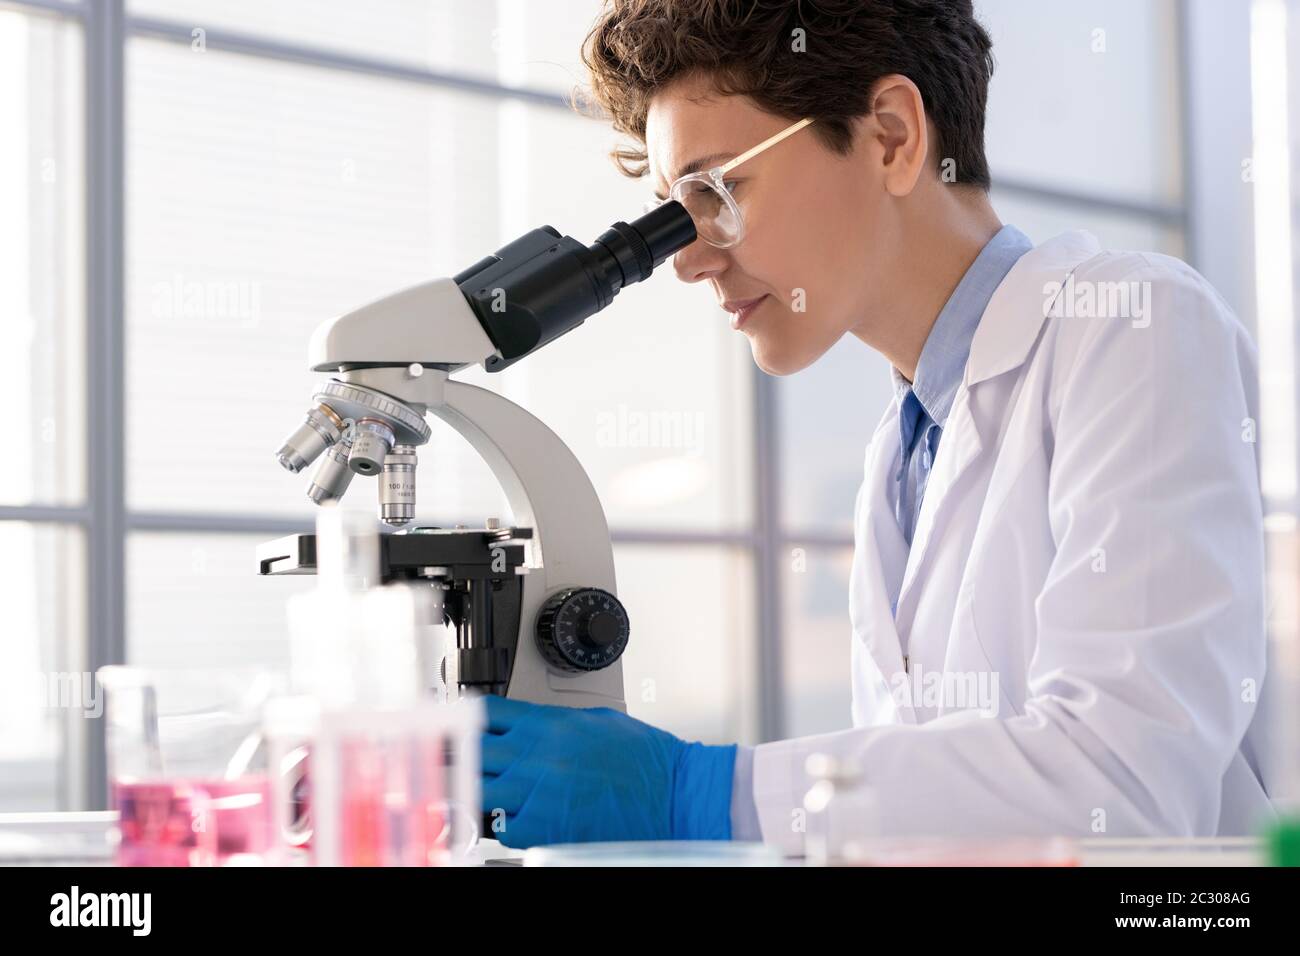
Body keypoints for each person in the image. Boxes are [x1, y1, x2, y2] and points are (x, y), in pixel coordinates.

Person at [479, 0, 1277, 852]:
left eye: (715, 190)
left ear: (892, 136)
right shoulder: (901, 456)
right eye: (674, 212)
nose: (688, 259)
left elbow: (1124, 784)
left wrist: (702, 791)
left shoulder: (1132, 324)